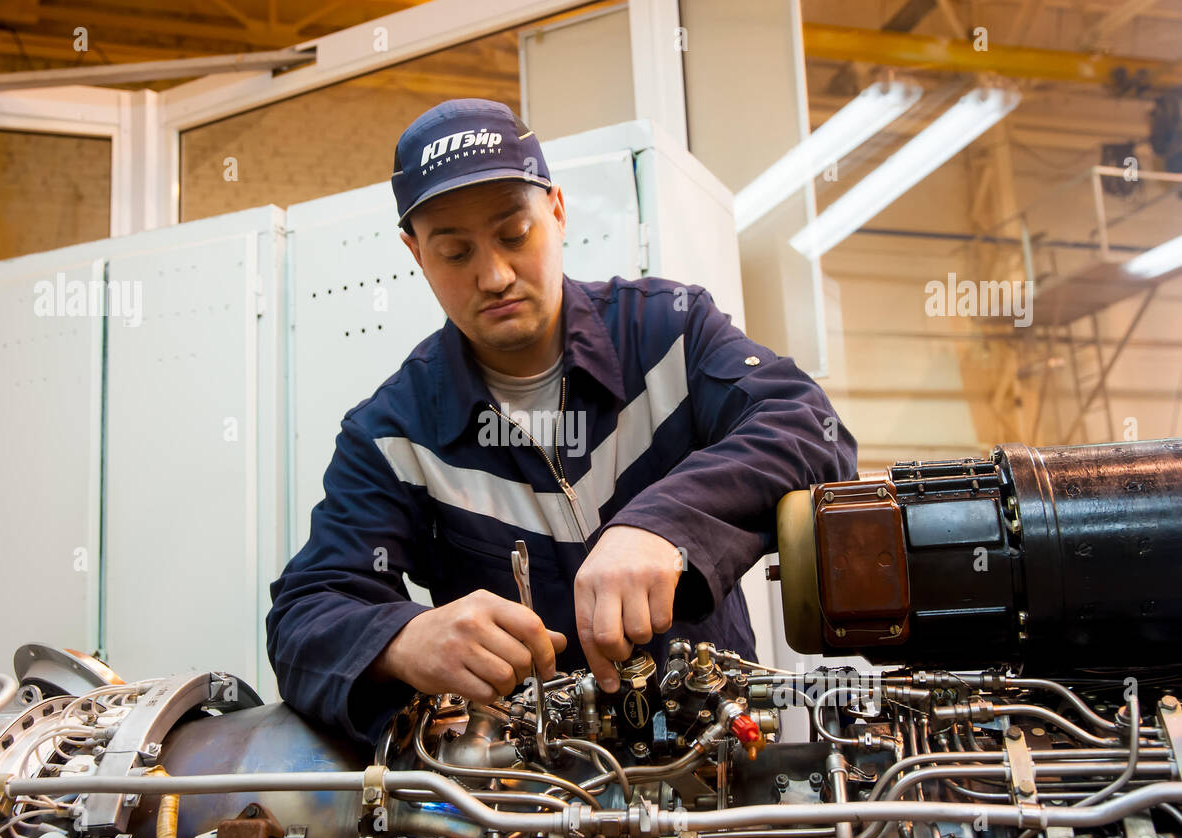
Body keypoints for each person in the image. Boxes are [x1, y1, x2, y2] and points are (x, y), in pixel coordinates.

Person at [267, 98, 858, 745]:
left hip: (715, 759)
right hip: (531, 804)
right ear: (414, 253)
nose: (493, 275)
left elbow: (808, 425)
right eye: (455, 251)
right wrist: (404, 638)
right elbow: (304, 614)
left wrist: (662, 524)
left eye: (514, 234)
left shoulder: (669, 333)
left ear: (556, 209)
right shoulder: (393, 433)